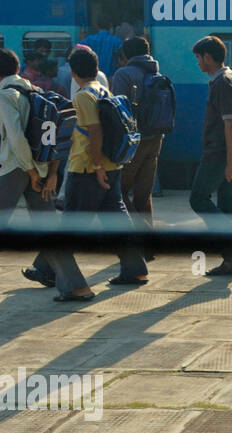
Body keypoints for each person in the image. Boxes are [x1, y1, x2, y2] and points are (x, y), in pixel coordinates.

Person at [57, 46, 150, 297]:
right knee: (118, 223)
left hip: (88, 169)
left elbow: (95, 132)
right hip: (113, 166)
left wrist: (97, 167)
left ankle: (76, 287)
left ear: (74, 73)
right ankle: (135, 269)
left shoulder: (83, 96)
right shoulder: (103, 90)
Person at [0, 48, 80, 295]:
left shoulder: (5, 96)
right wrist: (49, 172)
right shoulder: (36, 91)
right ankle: (76, 285)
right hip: (42, 168)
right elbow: (55, 135)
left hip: (16, 169)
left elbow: (15, 139)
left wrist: (30, 171)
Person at [190, 35, 232, 276]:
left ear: (207, 57)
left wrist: (230, 161)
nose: (197, 64)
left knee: (198, 199)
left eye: (198, 59)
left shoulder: (222, 83)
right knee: (226, 204)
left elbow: (230, 124)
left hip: (220, 154)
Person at [111, 36, 165, 232]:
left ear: (126, 54)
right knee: (143, 194)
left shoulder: (123, 74)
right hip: (156, 138)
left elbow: (119, 111)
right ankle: (149, 245)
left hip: (134, 141)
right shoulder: (158, 74)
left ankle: (139, 236)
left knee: (120, 191)